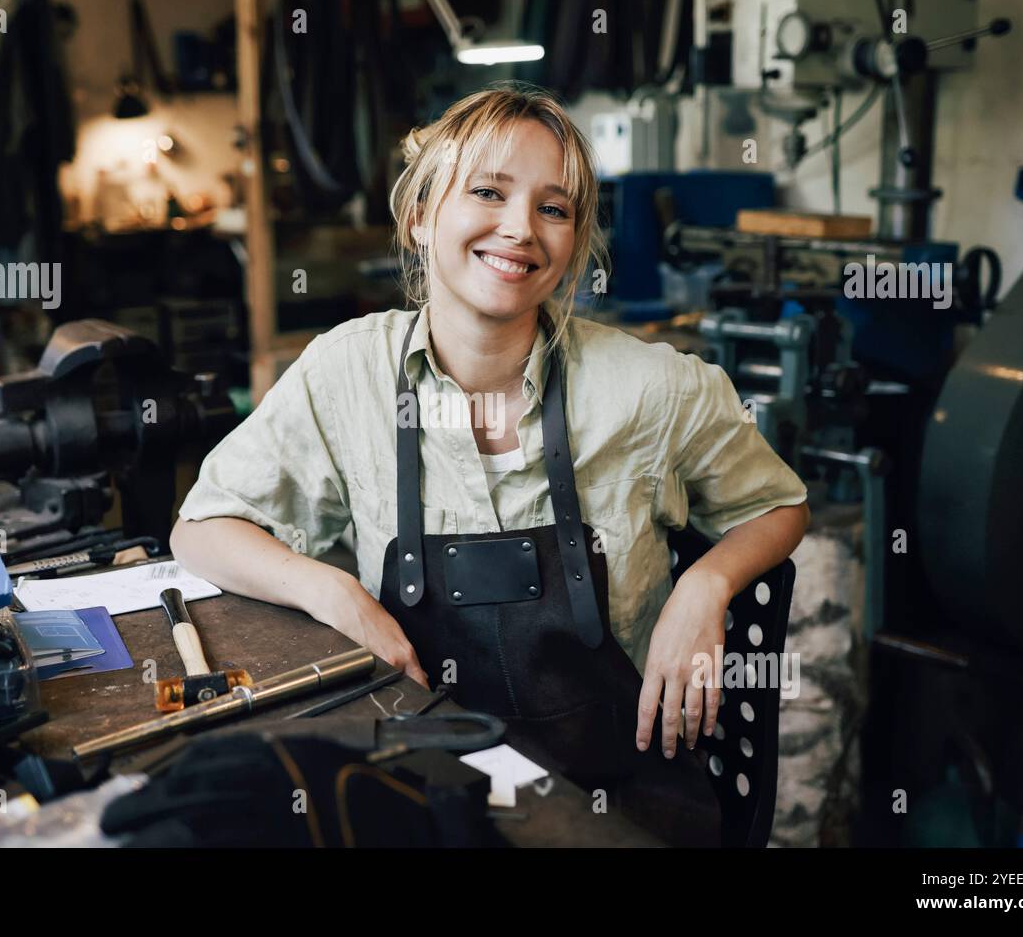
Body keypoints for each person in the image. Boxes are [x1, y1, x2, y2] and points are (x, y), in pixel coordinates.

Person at [172, 83, 809, 844]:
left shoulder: (655, 387)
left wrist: (707, 584)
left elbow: (778, 505)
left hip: (621, 790)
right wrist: (331, 591)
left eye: (554, 207)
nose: (520, 230)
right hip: (425, 779)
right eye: (487, 192)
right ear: (418, 216)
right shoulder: (346, 374)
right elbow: (204, 529)